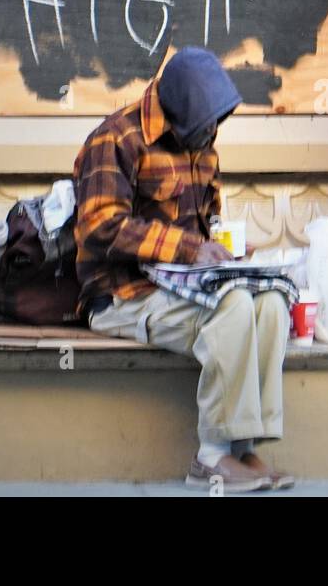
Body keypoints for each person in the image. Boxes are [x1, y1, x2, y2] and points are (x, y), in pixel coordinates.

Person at [71, 47, 294, 492]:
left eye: (217, 121)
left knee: (270, 300)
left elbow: (207, 218)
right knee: (231, 305)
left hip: (183, 288)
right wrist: (192, 249)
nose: (213, 131)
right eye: (206, 122)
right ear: (176, 112)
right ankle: (209, 459)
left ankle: (241, 447)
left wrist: (223, 246)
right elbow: (99, 227)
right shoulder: (113, 140)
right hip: (120, 294)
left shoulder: (201, 141)